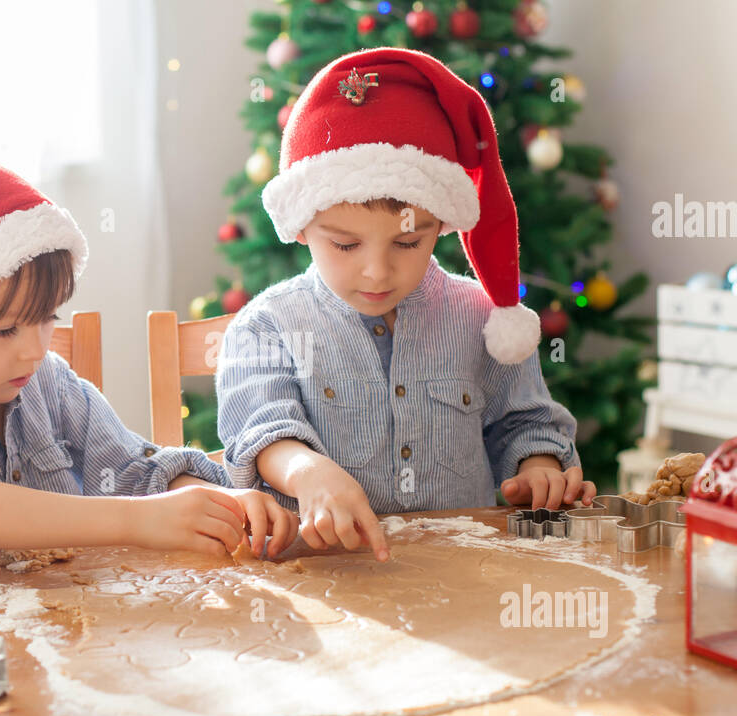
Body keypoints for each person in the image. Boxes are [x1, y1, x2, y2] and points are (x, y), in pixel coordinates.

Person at [216, 49, 595, 563]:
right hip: (325, 585)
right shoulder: (266, 327)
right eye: (346, 246)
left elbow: (526, 424)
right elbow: (258, 430)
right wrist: (307, 472)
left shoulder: (482, 319)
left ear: (441, 224)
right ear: (301, 226)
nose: (377, 272)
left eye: (407, 244)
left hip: (465, 579)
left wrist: (539, 470)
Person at [0, 143, 295, 558]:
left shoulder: (50, 385)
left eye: (47, 319)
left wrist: (219, 503)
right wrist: (135, 521)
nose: (34, 352)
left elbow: (135, 471)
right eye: (5, 330)